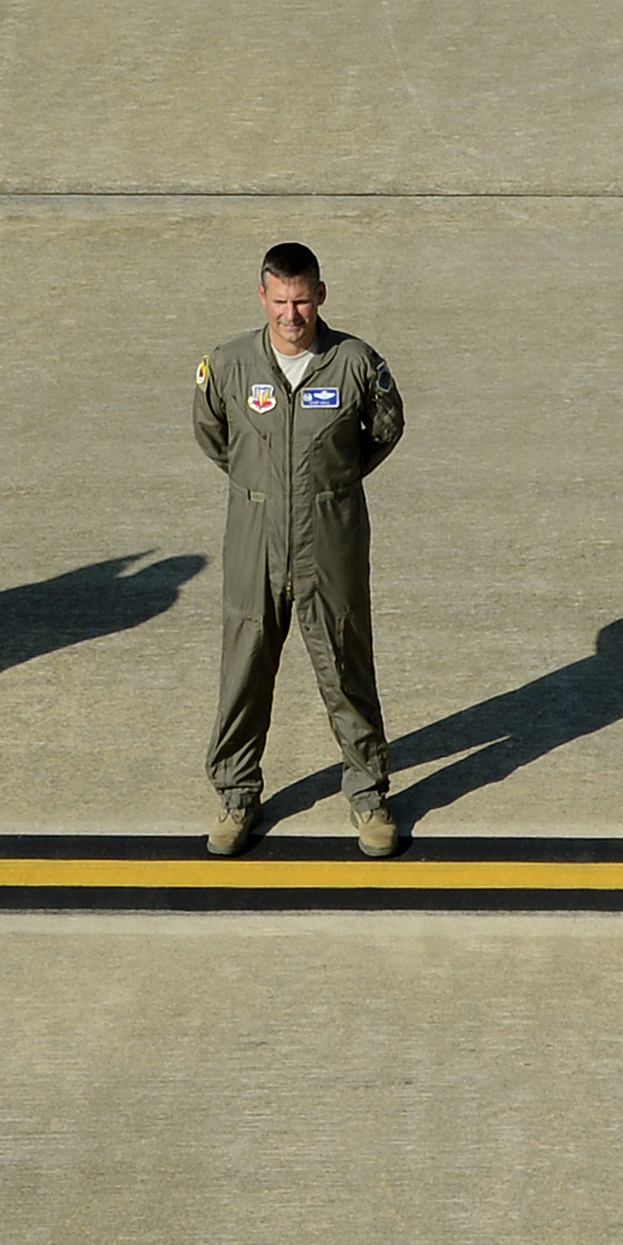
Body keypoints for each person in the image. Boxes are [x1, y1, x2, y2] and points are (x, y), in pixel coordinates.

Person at [190, 240, 408, 859]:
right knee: (245, 670)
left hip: (329, 543)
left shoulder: (355, 364)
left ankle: (368, 797)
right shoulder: (229, 364)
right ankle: (237, 795)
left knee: (345, 666)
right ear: (262, 297)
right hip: (253, 542)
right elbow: (212, 434)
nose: (292, 314)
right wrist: (265, 489)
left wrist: (329, 490)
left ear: (321, 296)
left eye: (303, 300)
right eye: (281, 300)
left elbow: (384, 431)